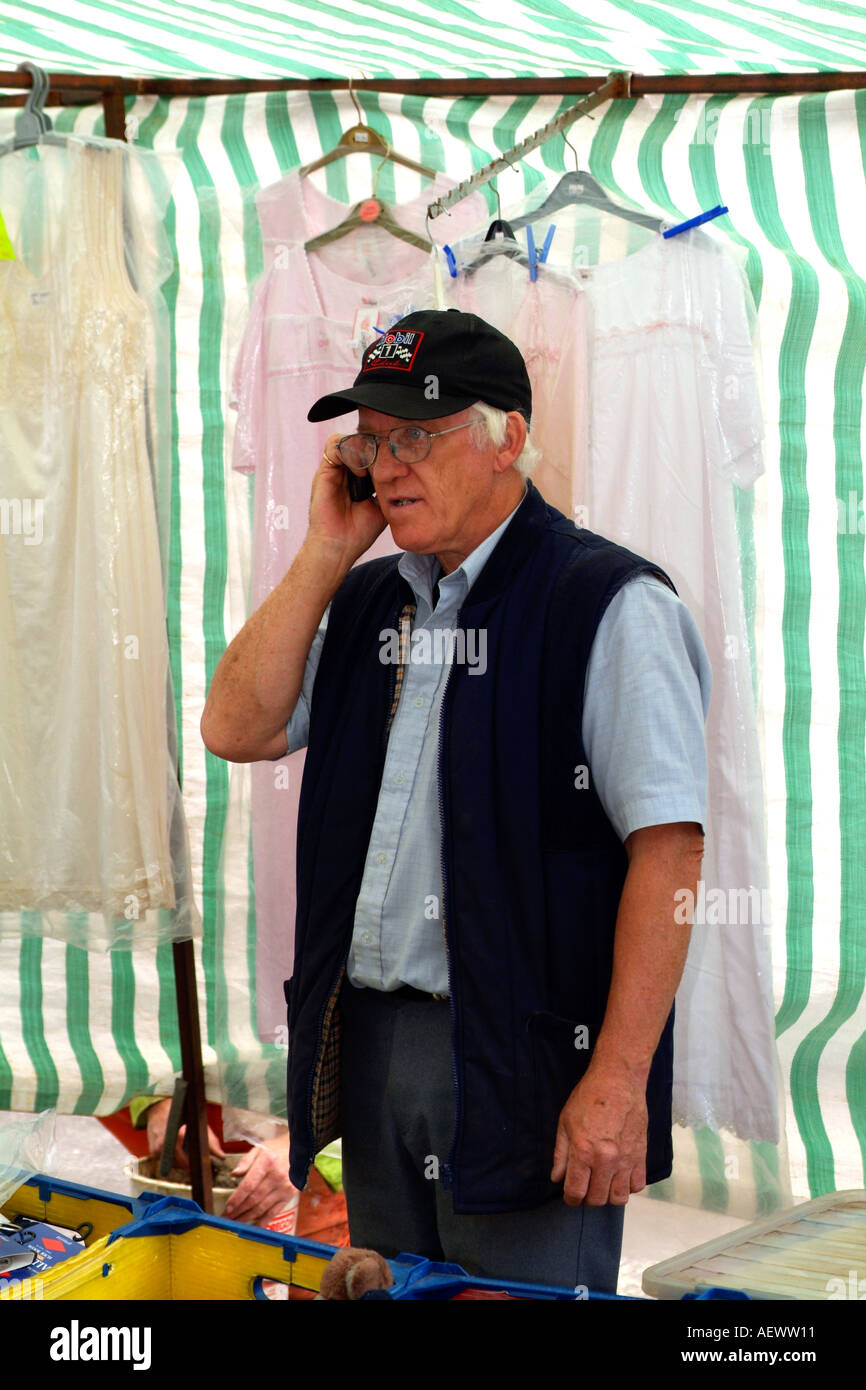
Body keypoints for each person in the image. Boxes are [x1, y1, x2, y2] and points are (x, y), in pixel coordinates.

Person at [200, 309, 711, 1292]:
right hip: (375, 1041)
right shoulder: (363, 601)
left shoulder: (605, 600)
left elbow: (670, 854)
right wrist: (323, 551)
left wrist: (614, 1077)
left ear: (507, 436)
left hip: (526, 1053)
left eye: (415, 438)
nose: (386, 467)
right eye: (371, 441)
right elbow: (234, 726)